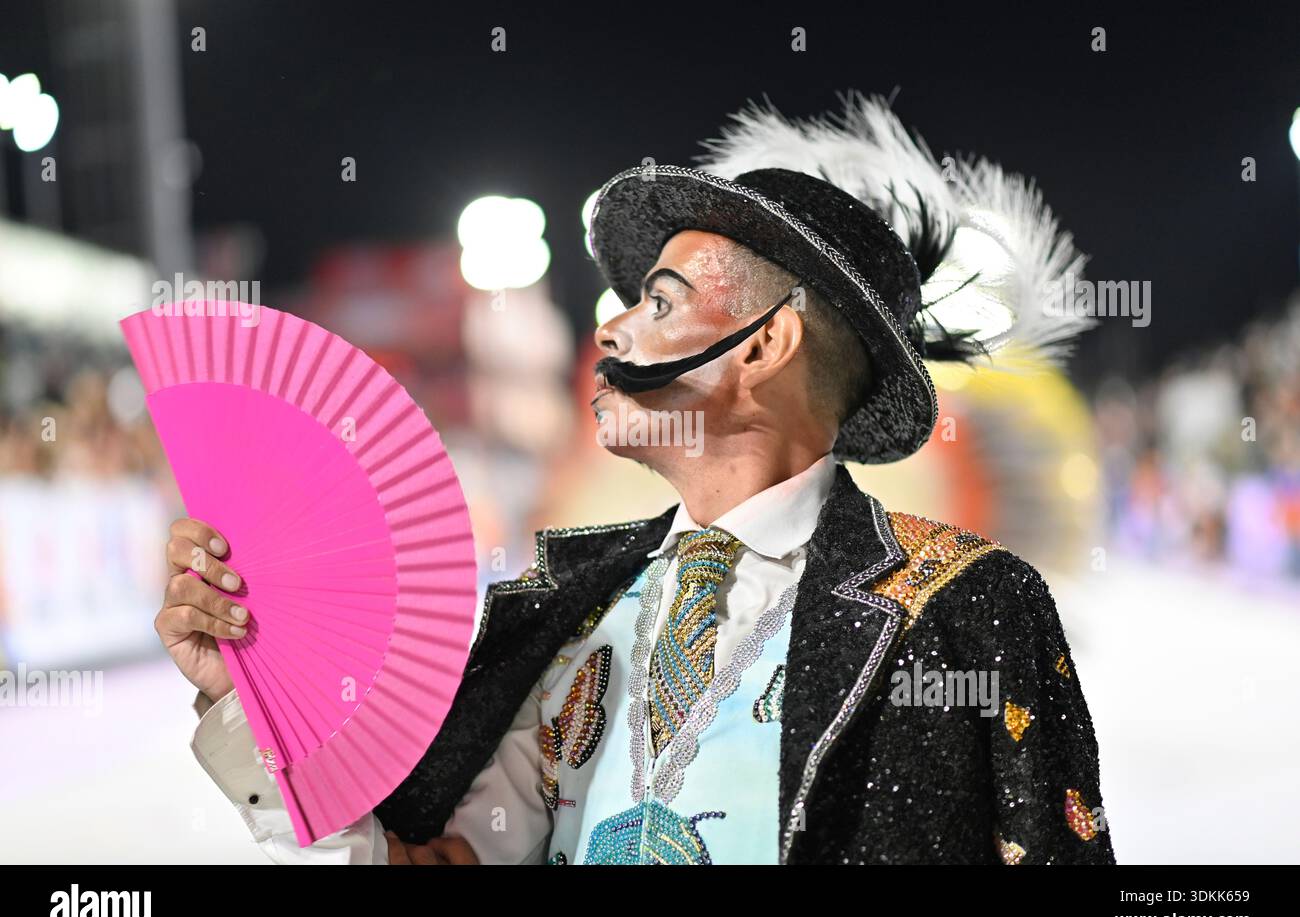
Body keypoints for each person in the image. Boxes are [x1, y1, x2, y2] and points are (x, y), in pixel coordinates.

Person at [157, 92, 1114, 864]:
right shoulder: (561, 608)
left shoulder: (967, 606)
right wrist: (244, 693)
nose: (612, 331)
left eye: (660, 302)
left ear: (766, 343)